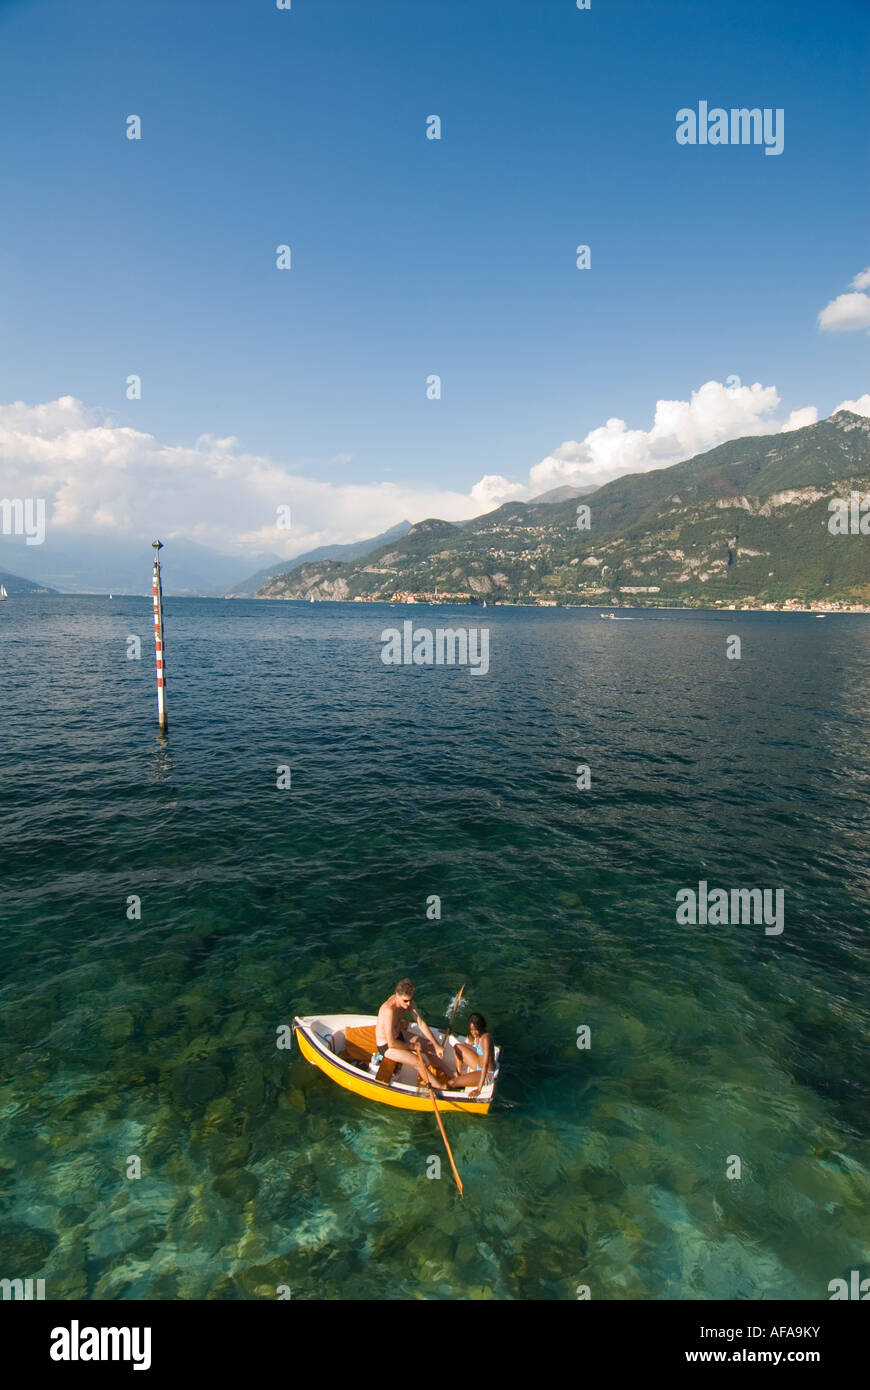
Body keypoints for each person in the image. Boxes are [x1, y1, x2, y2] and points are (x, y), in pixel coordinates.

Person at [375, 979, 447, 1089]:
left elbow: (421, 1023)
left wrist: (436, 1045)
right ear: (397, 996)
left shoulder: (409, 1003)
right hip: (387, 1046)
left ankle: (453, 1075)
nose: (409, 1004)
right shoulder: (389, 1010)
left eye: (410, 1000)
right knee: (418, 1062)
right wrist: (412, 1046)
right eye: (405, 1001)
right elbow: (391, 1044)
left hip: (399, 1035)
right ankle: (442, 1088)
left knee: (430, 1046)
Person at [445, 1013, 492, 1096]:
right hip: (478, 1065)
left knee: (450, 1083)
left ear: (480, 1027)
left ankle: (457, 1083)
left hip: (487, 1073)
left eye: (475, 1030)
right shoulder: (477, 1035)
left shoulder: (485, 1039)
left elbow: (485, 1065)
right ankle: (459, 1078)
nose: (473, 1032)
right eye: (471, 1030)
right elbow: (473, 1043)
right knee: (457, 1047)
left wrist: (478, 1089)